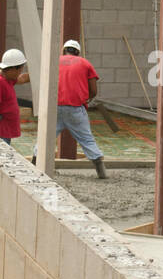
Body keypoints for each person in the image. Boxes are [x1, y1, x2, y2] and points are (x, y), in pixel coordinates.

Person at [33, 40, 108, 178]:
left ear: (64, 50)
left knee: (44, 138)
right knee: (87, 139)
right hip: (75, 109)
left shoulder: (54, 61)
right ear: (77, 52)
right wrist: (85, 98)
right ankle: (101, 172)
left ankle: (33, 167)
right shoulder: (85, 63)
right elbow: (93, 90)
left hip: (54, 108)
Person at [0, 48, 29, 146]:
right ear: (12, 68)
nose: (20, 73)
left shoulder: (8, 78)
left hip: (5, 132)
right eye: (19, 70)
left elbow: (22, 79)